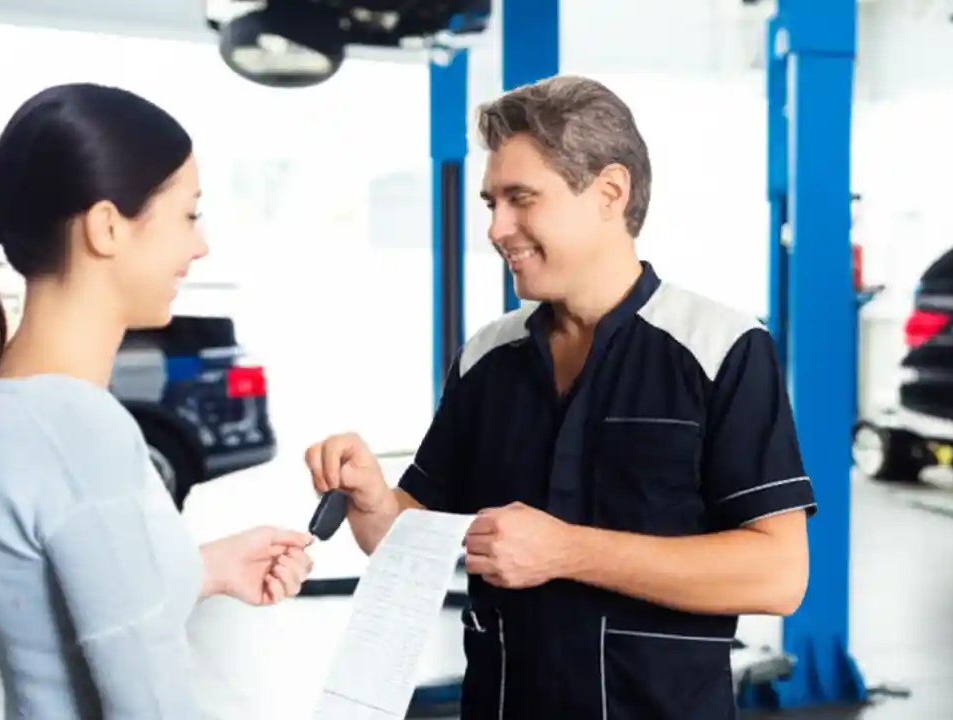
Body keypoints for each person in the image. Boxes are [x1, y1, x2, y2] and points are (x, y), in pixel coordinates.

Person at [306, 75, 817, 720]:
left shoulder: (721, 347)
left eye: (522, 199)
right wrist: (374, 500)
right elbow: (407, 537)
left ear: (609, 192)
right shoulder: (487, 358)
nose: (496, 228)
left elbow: (778, 574)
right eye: (492, 202)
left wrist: (569, 550)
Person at [0, 83, 315, 719]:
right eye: (188, 215)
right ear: (108, 227)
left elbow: (71, 601)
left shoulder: (9, 406)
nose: (199, 246)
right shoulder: (78, 430)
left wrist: (205, 569)